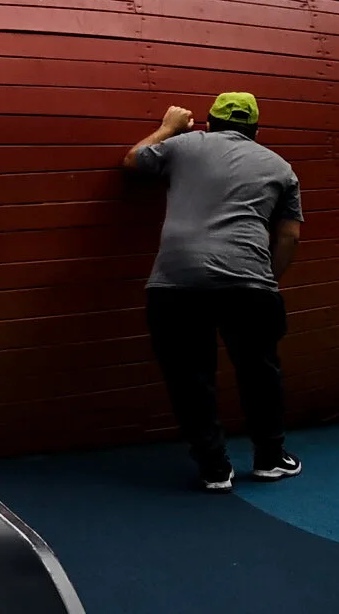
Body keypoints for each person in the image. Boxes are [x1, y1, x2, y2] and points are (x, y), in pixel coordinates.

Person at [124, 92, 303, 492]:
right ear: (255, 131)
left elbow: (133, 160)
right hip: (250, 282)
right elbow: (289, 236)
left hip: (176, 282)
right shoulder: (280, 167)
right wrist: (267, 278)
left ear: (209, 122)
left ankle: (214, 469)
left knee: (190, 377)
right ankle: (270, 458)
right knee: (259, 372)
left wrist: (168, 128)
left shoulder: (183, 146)